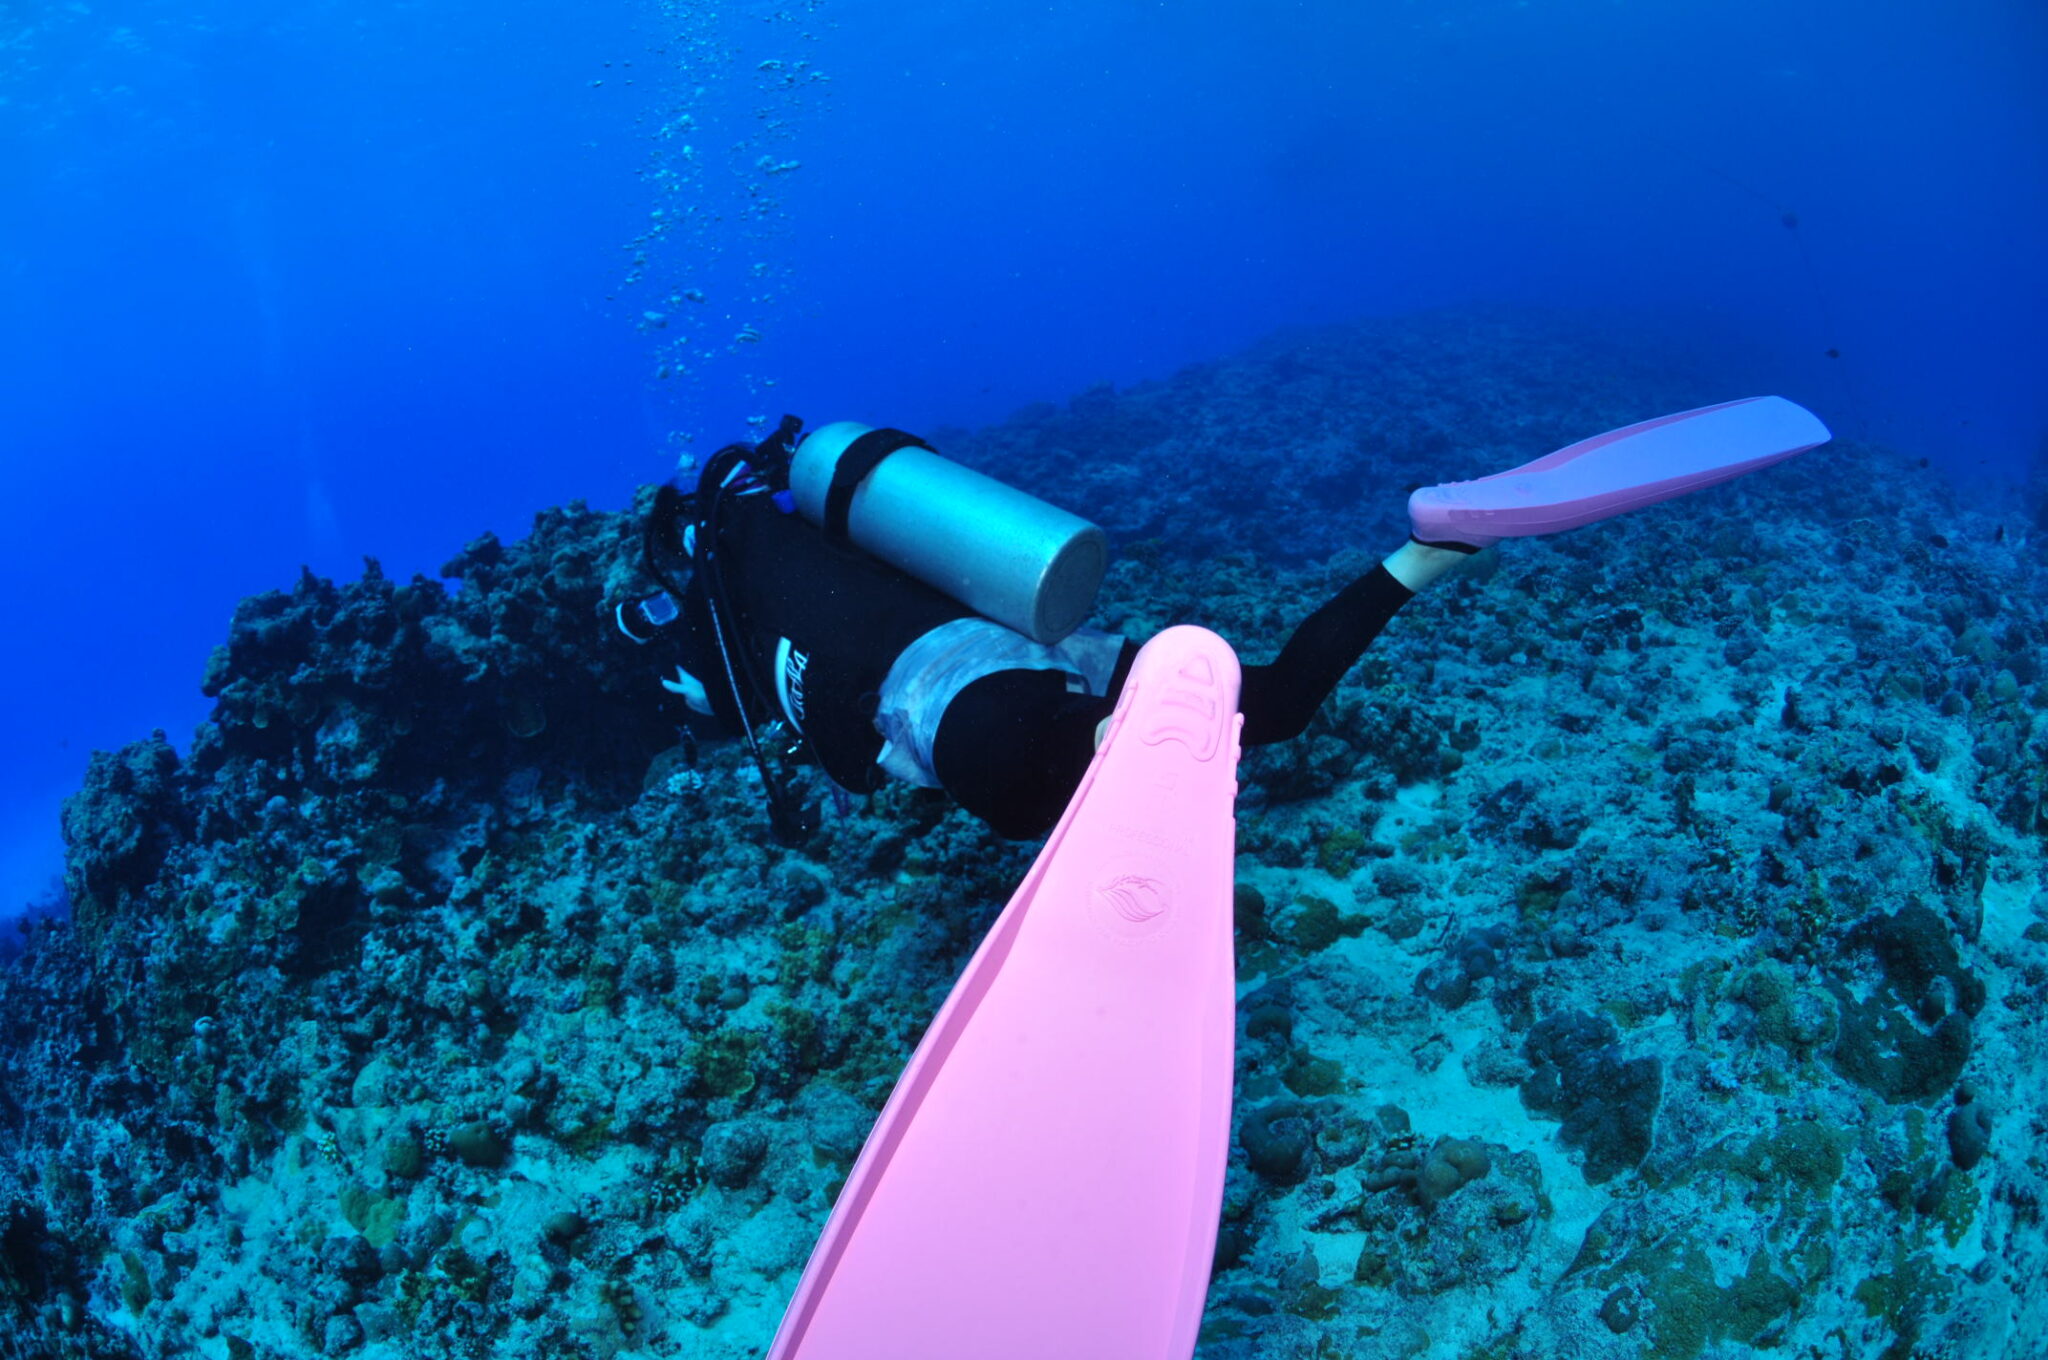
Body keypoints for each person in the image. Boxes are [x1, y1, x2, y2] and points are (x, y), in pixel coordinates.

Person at [619, 400, 1829, 842]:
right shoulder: (793, 519)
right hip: (1023, 637)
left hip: (940, 691)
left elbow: (746, 707)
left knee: (1044, 786)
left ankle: (1107, 764)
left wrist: (677, 663)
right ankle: (1429, 547)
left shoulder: (718, 588)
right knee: (1273, 701)